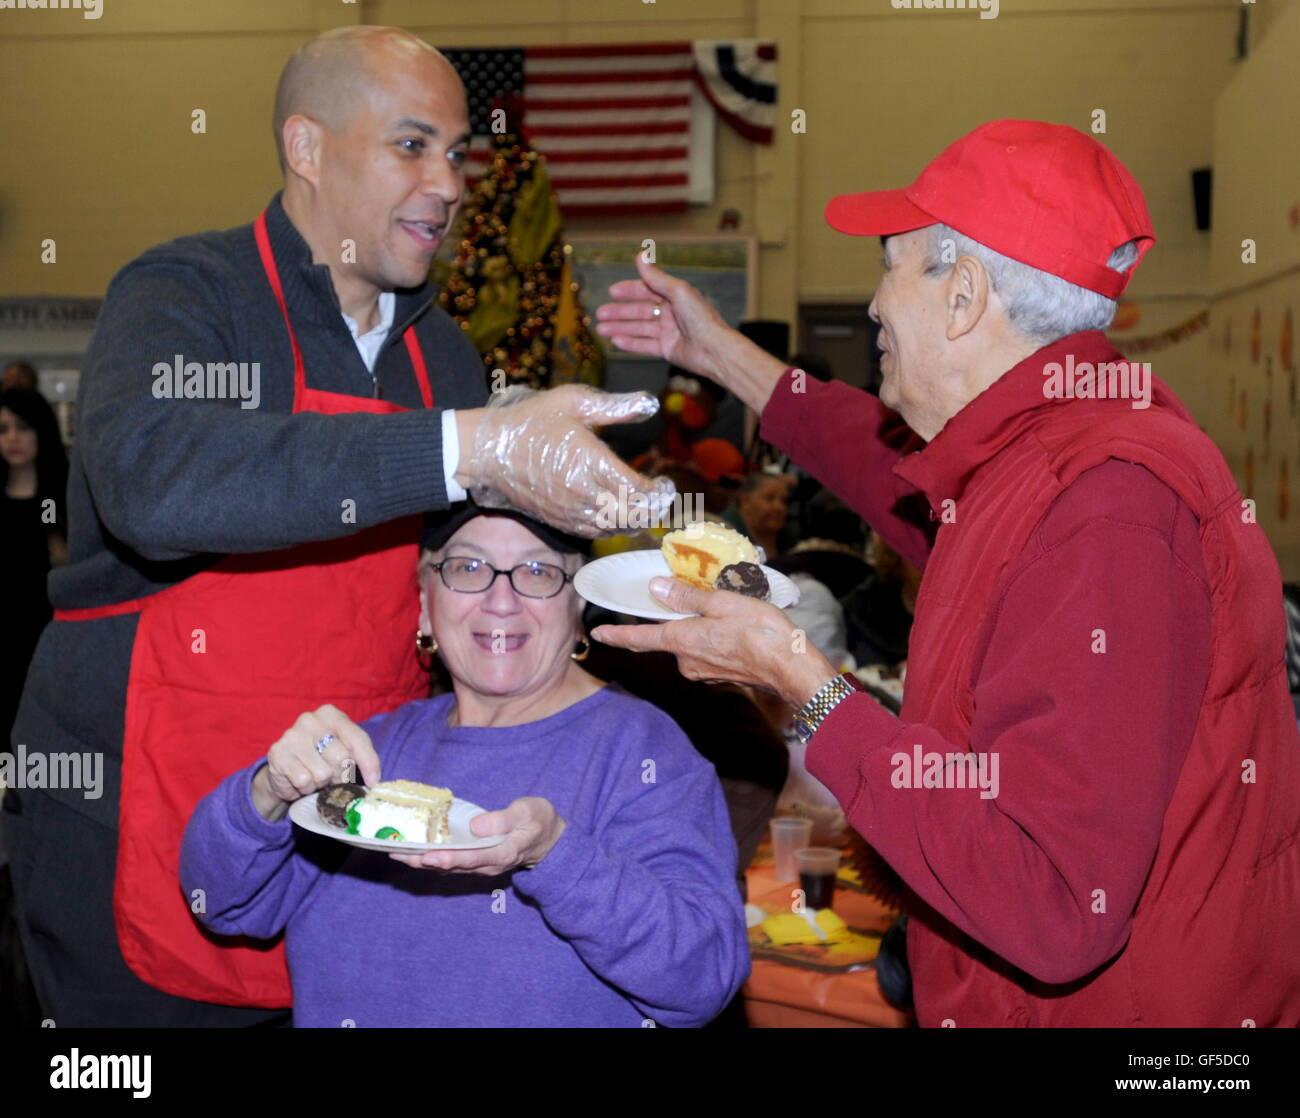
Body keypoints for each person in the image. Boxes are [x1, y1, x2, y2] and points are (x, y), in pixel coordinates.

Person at [4, 25, 671, 1027]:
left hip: (348, 833)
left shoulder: (441, 357)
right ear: (305, 147)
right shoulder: (185, 295)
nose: (446, 185)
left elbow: (461, 572)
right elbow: (154, 481)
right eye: (411, 145)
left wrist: (604, 554)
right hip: (135, 820)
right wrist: (464, 448)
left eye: (456, 153)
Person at [593, 119, 1300, 1027]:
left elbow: (1054, 899)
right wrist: (717, 351)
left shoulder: (1107, 506)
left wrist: (805, 686)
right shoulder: (1056, 438)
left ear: (962, 294)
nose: (877, 303)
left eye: (890, 262)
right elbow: (884, 467)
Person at [180, 501, 748, 1027]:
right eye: (468, 567)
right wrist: (269, 792)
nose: (501, 600)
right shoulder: (369, 752)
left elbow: (702, 979)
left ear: (580, 609)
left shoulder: (643, 752)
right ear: (425, 603)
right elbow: (224, 904)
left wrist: (555, 856)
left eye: (538, 571)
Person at [0, 388, 68, 746]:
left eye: (23, 427)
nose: (12, 437)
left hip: (46, 644)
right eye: (4, 428)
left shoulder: (56, 500)